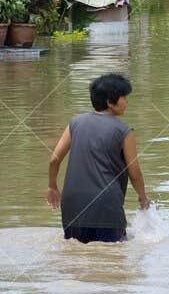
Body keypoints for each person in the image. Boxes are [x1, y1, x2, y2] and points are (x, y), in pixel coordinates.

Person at [46, 72, 150, 243]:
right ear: (110, 102)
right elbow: (134, 172)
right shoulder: (124, 131)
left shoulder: (75, 122)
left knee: (76, 254)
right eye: (124, 97)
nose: (127, 102)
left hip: (72, 207)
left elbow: (54, 159)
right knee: (113, 256)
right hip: (106, 208)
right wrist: (142, 197)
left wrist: (52, 186)